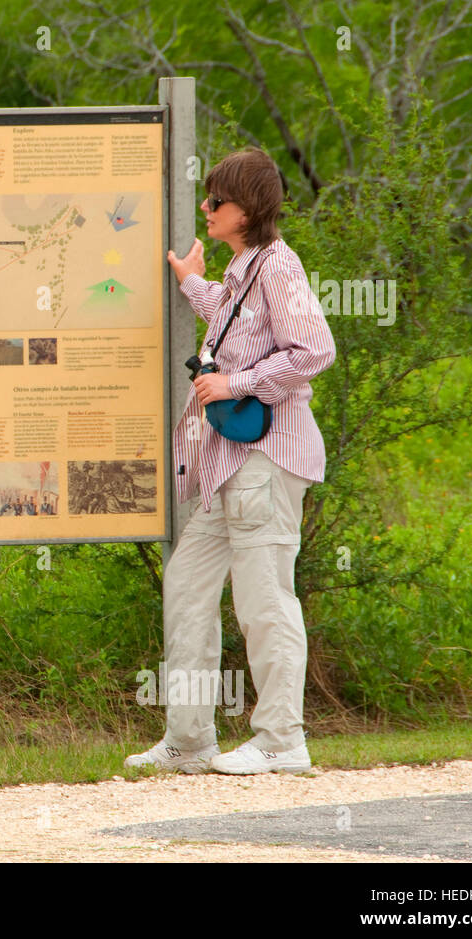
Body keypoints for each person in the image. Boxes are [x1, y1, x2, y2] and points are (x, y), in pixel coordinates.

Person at [126, 147, 336, 776]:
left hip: (265, 461)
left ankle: (281, 740)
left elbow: (314, 348)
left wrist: (237, 382)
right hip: (230, 470)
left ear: (248, 210)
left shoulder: (278, 263)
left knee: (264, 599)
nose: (207, 208)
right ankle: (189, 743)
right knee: (187, 586)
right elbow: (236, 323)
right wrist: (193, 282)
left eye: (217, 200)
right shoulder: (247, 266)